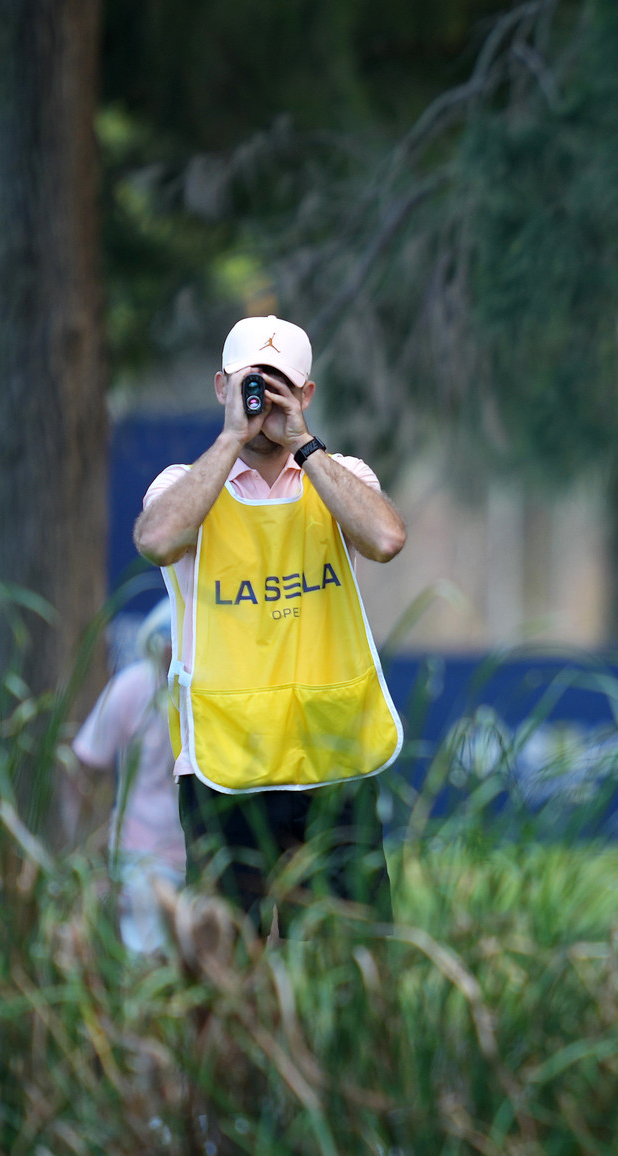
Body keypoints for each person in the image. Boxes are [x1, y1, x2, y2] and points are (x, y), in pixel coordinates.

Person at [134, 315, 408, 936]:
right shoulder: (184, 486)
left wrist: (306, 446)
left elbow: (387, 538)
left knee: (355, 965)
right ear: (221, 387)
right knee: (227, 974)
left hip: (332, 762)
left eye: (281, 385)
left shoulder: (340, 477)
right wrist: (231, 440)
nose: (264, 400)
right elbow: (156, 540)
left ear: (306, 395)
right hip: (226, 767)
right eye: (252, 384)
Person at [70, 600, 184, 955]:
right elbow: (84, 762)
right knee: (146, 955)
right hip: (140, 853)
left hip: (198, 851)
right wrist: (88, 845)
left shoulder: (207, 693)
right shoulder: (131, 687)